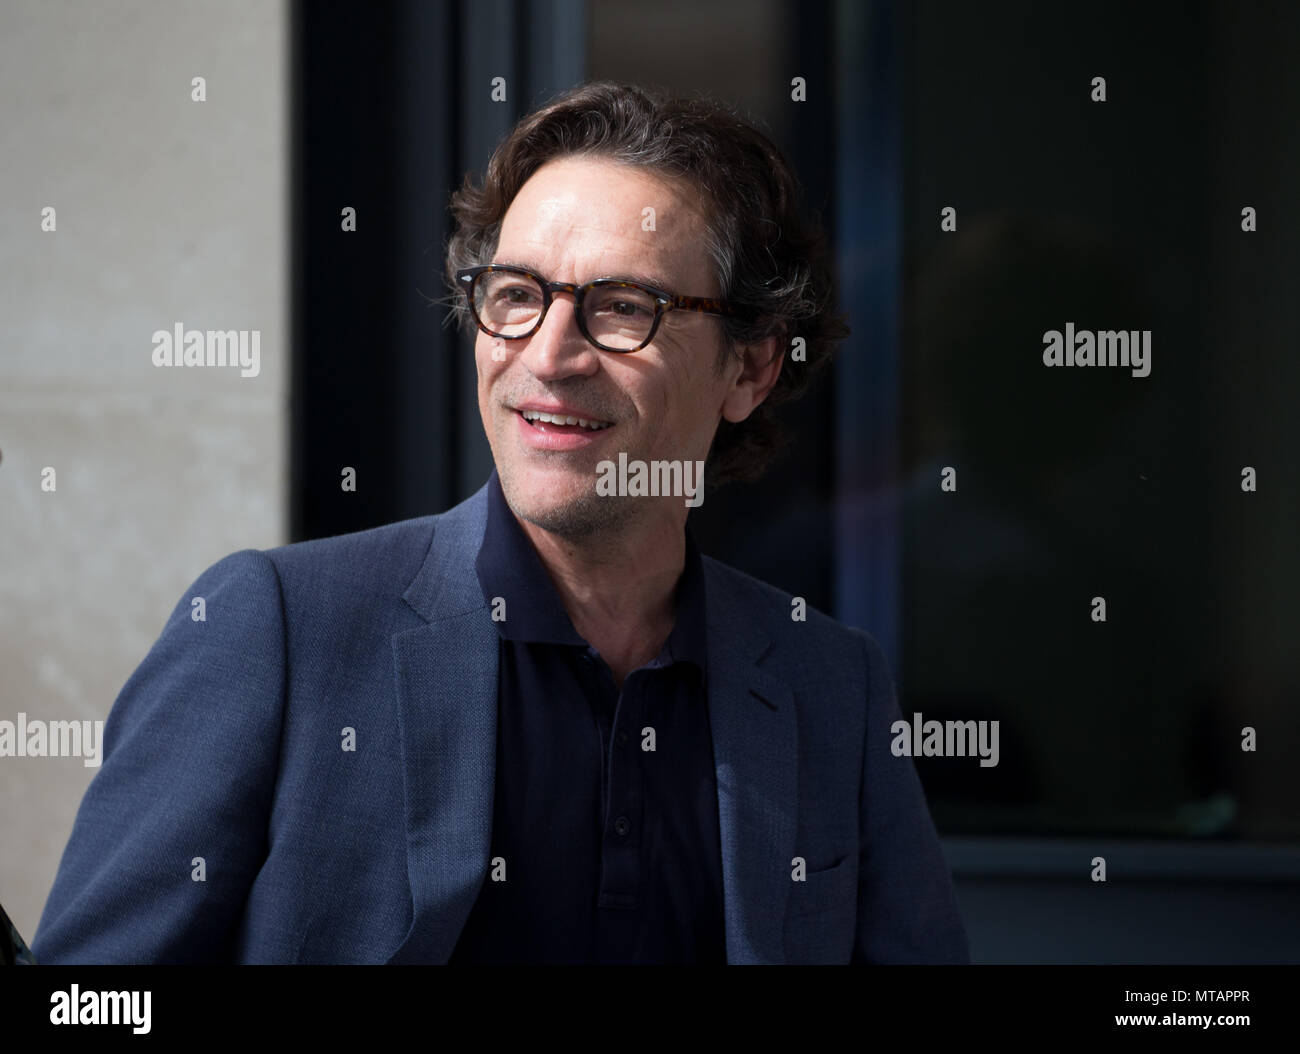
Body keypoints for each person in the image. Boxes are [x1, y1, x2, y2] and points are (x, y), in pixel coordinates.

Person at [33, 81, 969, 964]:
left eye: (622, 309)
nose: (549, 357)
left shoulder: (827, 683)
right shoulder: (274, 629)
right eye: (517, 295)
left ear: (752, 369)